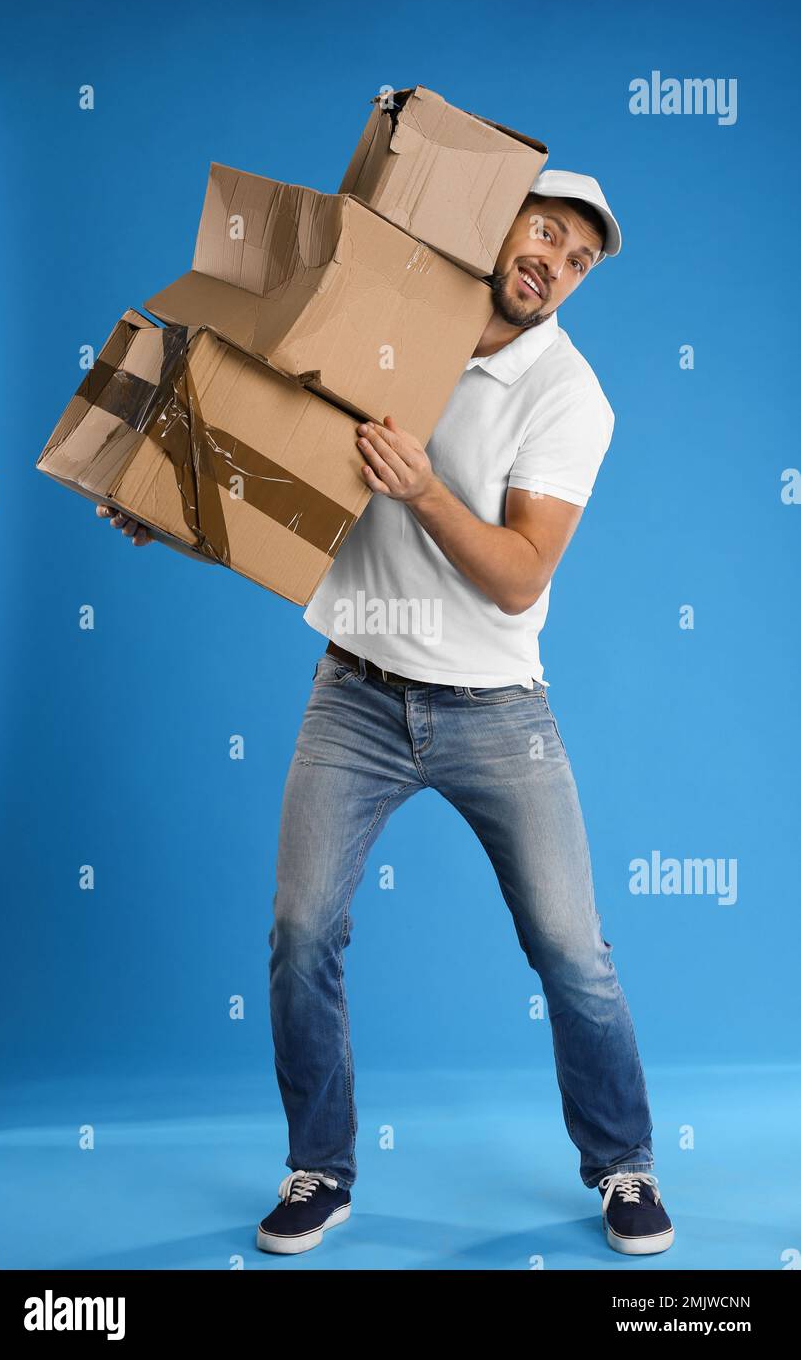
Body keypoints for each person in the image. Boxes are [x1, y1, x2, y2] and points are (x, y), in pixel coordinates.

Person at [98, 170, 674, 1261]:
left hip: (497, 711)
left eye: (578, 258)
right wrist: (171, 503)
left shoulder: (569, 396)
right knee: (300, 929)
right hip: (354, 693)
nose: (553, 259)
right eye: (542, 229)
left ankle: (624, 1164)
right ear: (496, 222)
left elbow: (516, 577)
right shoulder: (390, 327)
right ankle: (320, 1166)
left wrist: (421, 489)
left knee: (570, 949)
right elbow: (281, 448)